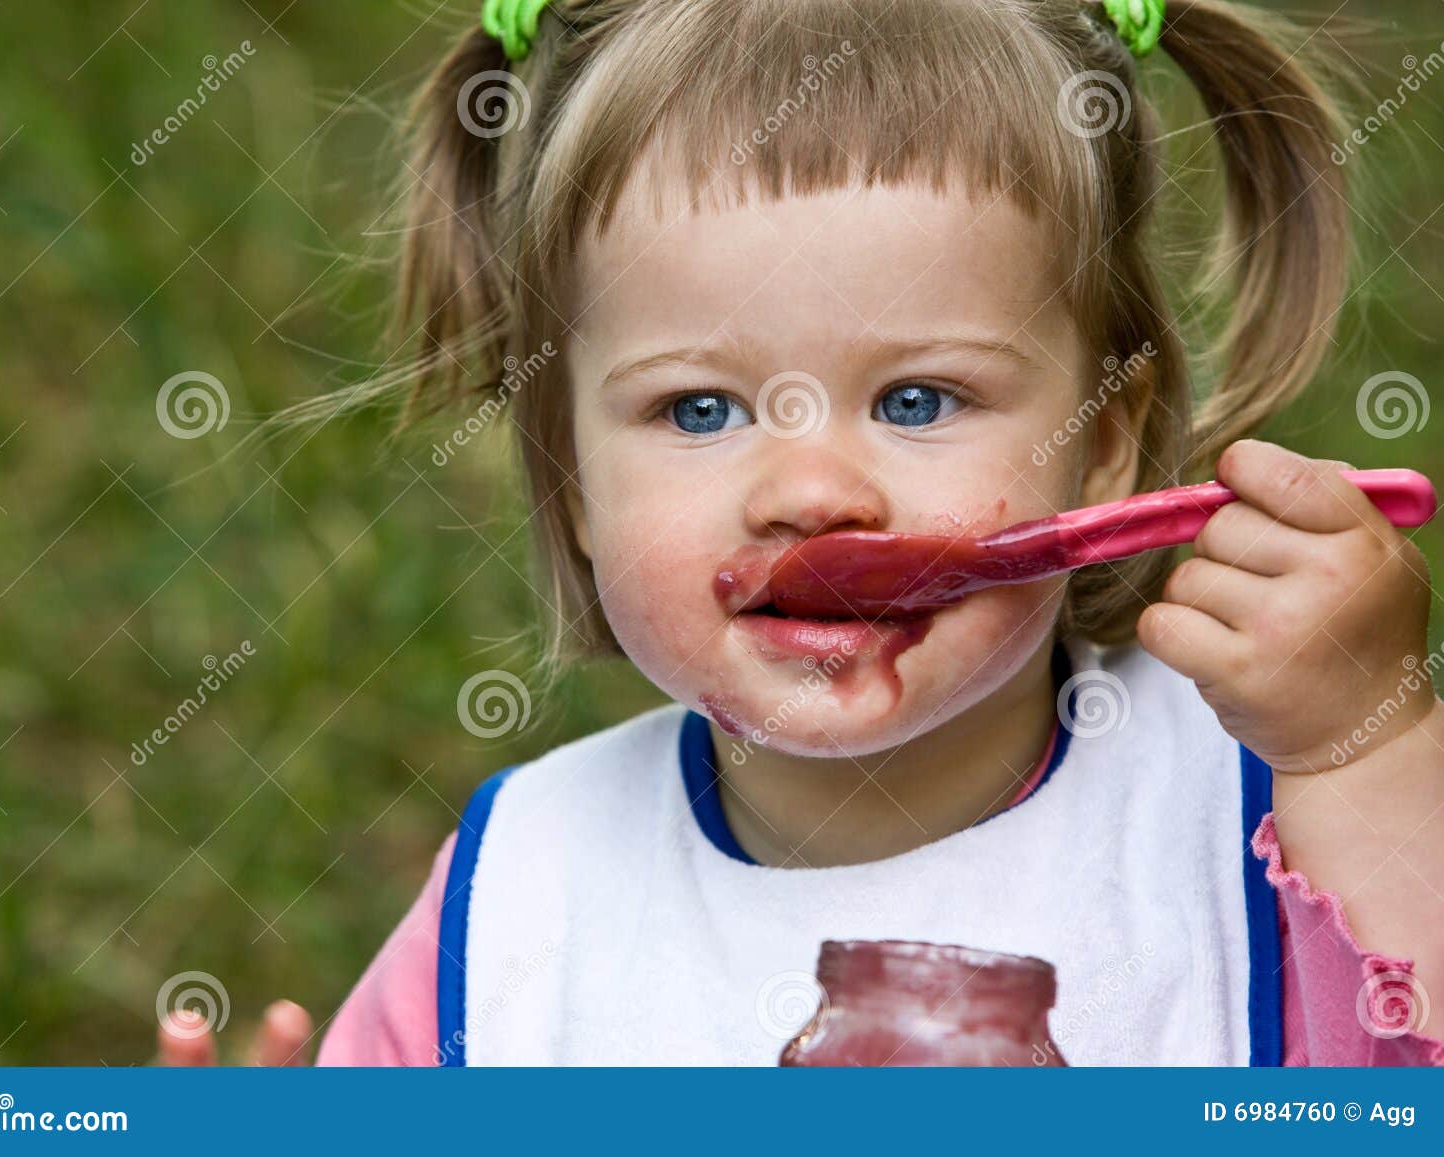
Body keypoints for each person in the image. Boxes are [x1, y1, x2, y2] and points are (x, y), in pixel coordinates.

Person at [163, 0, 1444, 1065]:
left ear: (1107, 440)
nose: (810, 488)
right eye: (699, 407)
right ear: (568, 480)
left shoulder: (1242, 799)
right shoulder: (523, 893)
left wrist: (1364, 743)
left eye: (915, 399)